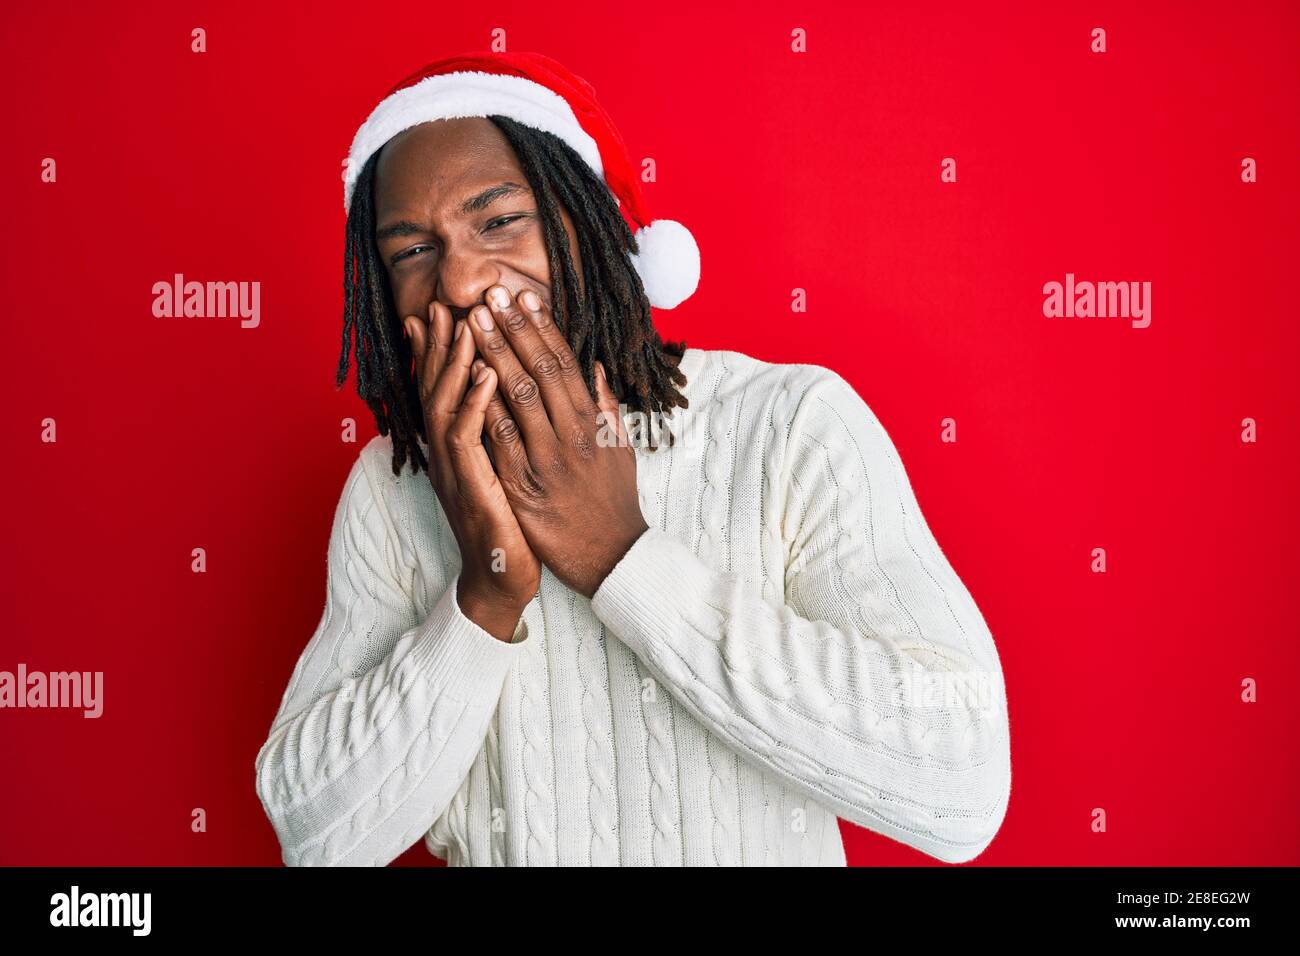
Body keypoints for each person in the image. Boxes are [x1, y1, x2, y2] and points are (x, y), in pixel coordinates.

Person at [253, 50, 1012, 867]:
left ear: (589, 223)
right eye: (411, 252)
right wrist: (484, 594)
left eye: (500, 220)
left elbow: (961, 784)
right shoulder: (391, 487)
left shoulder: (788, 426)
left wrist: (621, 555)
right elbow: (316, 833)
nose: (462, 281)